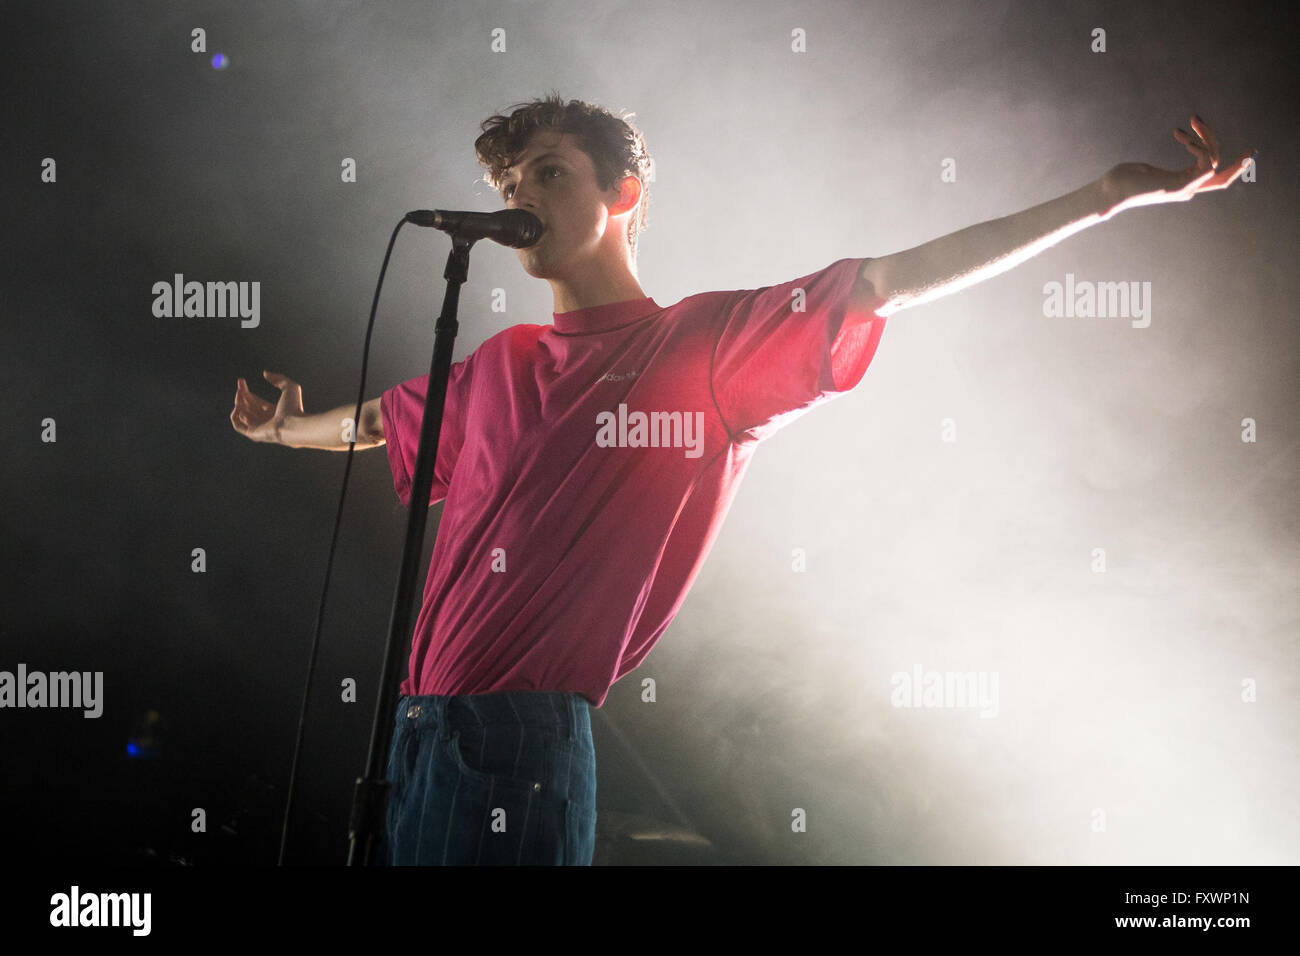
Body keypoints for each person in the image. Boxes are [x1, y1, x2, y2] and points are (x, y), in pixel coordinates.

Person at [230, 94, 1252, 865]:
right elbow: (377, 422)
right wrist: (287, 432)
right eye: (509, 189)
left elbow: (889, 280)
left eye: (547, 175)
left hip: (514, 734)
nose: (519, 201)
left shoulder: (703, 345)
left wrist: (1106, 200)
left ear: (622, 194)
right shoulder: (498, 364)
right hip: (416, 728)